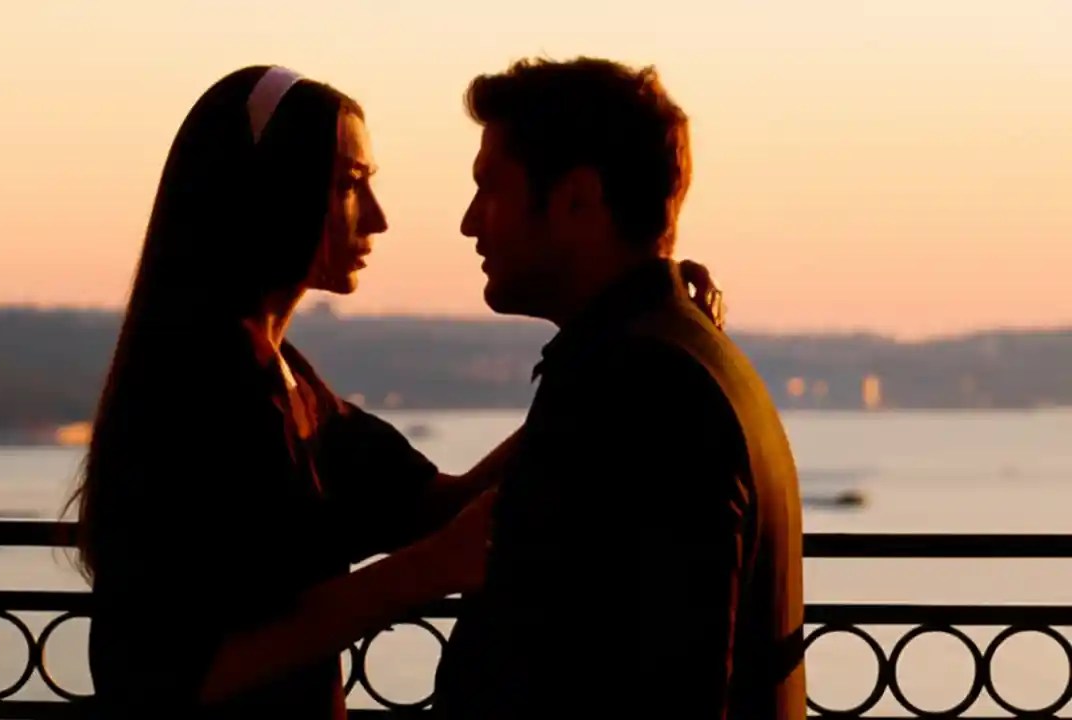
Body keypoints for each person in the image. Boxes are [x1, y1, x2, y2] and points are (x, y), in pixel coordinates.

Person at [64, 65, 514, 719]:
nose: (379, 219)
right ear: (270, 191)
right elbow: (175, 673)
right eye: (347, 186)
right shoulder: (195, 399)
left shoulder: (287, 381)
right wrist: (424, 573)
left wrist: (601, 354)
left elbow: (442, 508)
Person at [431, 57, 806, 719]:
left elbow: (666, 678)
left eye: (491, 189)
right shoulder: (680, 360)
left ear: (578, 199)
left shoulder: (639, 386)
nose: (469, 222)